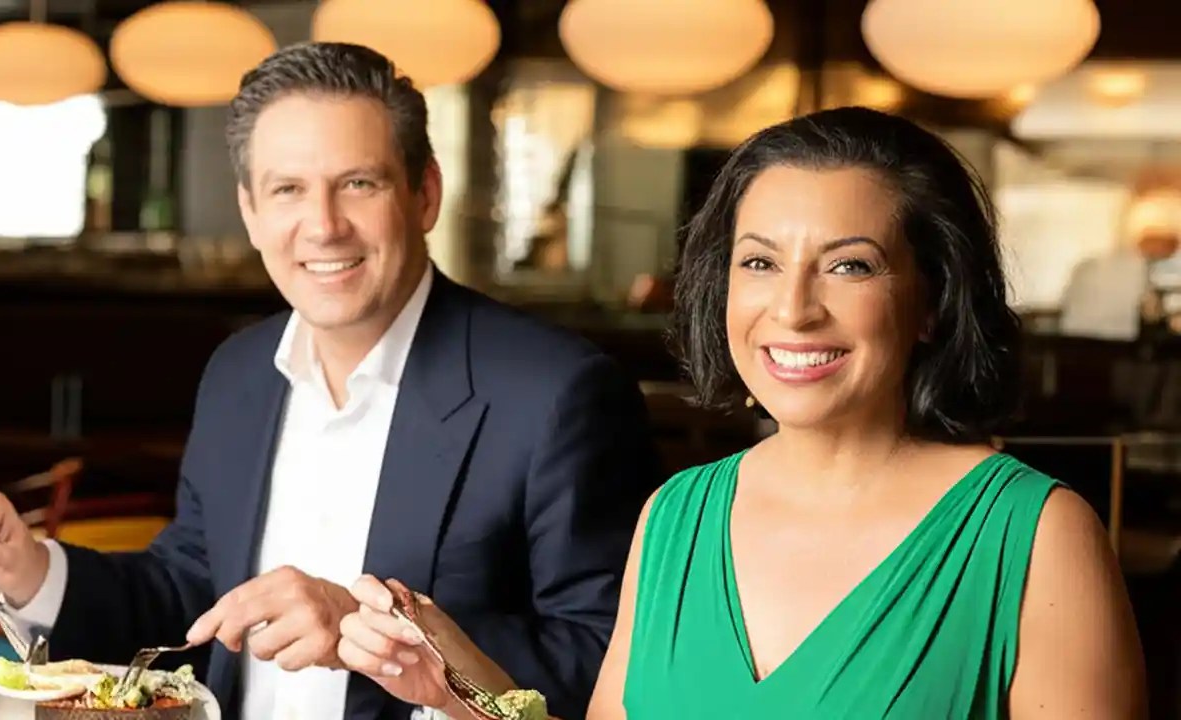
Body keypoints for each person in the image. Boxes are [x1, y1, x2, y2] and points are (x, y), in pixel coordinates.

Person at [0, 42, 662, 720]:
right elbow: (189, 592)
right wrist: (31, 569)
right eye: (286, 190)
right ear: (249, 211)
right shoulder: (239, 373)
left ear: (425, 194)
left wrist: (371, 632)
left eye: (359, 183)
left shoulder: (557, 393)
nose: (323, 225)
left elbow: (610, 668)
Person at [335, 106, 1149, 719]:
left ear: (932, 301)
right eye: (758, 261)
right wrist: (465, 688)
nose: (792, 309)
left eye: (850, 266)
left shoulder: (1033, 534)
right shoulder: (678, 515)